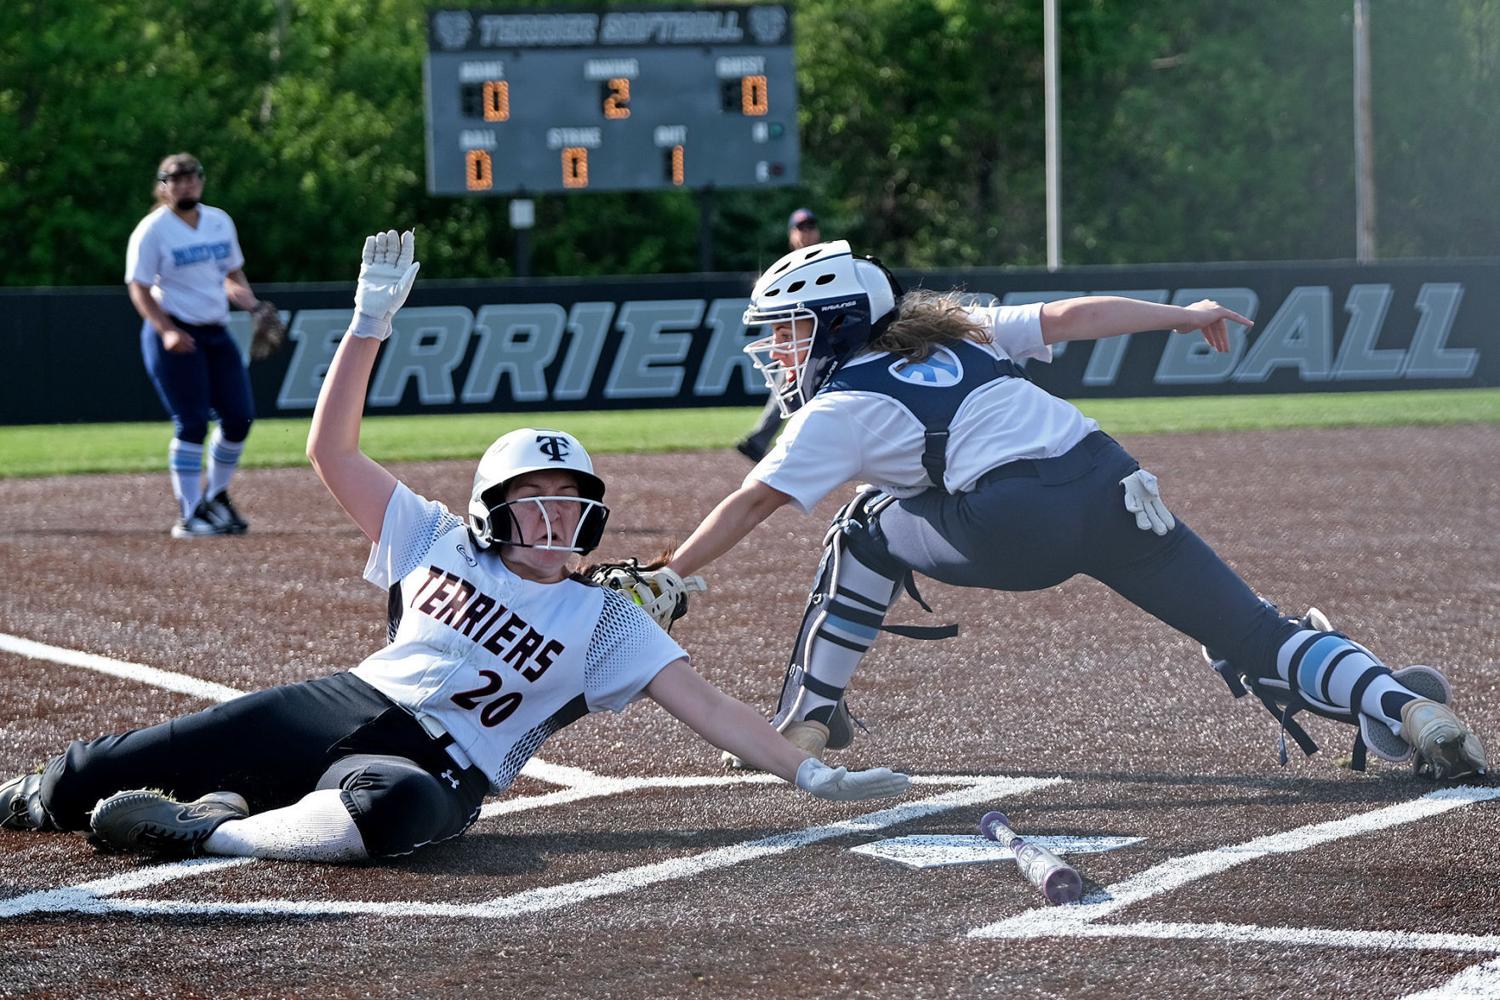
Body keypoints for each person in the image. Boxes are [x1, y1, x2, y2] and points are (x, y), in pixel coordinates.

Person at [0, 230, 909, 862]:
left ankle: (211, 830)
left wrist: (810, 771)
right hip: (344, 700)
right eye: (534, 502)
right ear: (489, 510)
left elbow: (713, 711)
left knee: (391, 812)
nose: (553, 519)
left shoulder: (605, 619)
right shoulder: (435, 537)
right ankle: (80, 796)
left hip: (441, 762)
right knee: (97, 769)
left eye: (570, 504)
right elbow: (331, 452)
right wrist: (368, 322)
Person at [662, 239, 1488, 782]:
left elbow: (752, 501)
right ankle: (1410, 709)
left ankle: (805, 722)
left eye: (789, 333)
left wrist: (670, 572)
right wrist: (1186, 314)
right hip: (1112, 480)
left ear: (837, 326)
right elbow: (1072, 316)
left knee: (862, 525)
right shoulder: (959, 332)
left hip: (1015, 521)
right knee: (1256, 632)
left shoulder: (840, 406)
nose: (778, 352)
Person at [126, 153, 264, 539]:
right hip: (175, 332)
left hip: (215, 331)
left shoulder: (219, 221)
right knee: (192, 422)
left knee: (239, 417)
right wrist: (166, 330)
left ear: (201, 181)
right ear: (163, 186)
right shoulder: (153, 230)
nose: (186, 183)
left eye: (193, 176)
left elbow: (231, 275)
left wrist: (253, 306)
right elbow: (138, 287)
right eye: (177, 178)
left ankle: (215, 496)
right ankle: (188, 515)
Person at [734, 208, 822, 462]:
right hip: (796, 339)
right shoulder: (786, 267)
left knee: (794, 391)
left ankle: (764, 442)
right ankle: (762, 442)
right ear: (791, 234)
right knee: (787, 389)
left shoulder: (827, 260)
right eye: (801, 228)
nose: (806, 233)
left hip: (819, 338)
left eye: (810, 227)